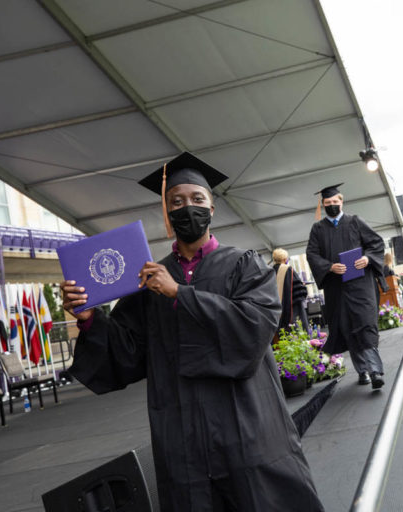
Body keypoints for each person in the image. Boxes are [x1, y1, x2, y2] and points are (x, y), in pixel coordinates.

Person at [62, 152, 323, 511]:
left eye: (197, 200)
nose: (188, 209)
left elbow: (255, 326)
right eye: (177, 202)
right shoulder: (148, 279)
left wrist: (180, 294)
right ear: (167, 214)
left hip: (247, 430)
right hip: (183, 439)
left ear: (212, 208)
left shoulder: (242, 266)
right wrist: (90, 318)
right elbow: (126, 354)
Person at [306, 184, 386, 389]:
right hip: (336, 288)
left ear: (342, 201)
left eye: (335, 202)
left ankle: (375, 370)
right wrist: (329, 266)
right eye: (328, 203)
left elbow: (376, 243)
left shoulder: (355, 222)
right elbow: (312, 254)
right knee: (347, 328)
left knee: (366, 325)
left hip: (361, 285)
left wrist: (367, 259)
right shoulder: (318, 229)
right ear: (323, 205)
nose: (332, 205)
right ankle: (363, 372)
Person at [272, 248, 309, 336]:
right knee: (297, 331)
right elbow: (299, 291)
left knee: (283, 335)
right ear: (285, 259)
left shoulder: (270, 272)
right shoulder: (288, 269)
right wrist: (302, 286)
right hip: (293, 307)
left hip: (278, 310)